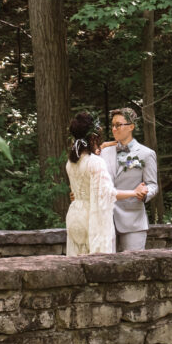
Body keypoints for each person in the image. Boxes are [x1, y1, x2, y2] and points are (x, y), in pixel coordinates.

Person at [103, 107, 156, 251]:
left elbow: (153, 185)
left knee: (133, 268)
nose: (114, 129)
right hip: (105, 222)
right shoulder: (104, 152)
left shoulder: (146, 154)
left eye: (118, 125)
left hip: (133, 221)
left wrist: (145, 192)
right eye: (113, 125)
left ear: (131, 126)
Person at [64, 112, 116, 256]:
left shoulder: (70, 162)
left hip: (74, 216)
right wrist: (134, 192)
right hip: (90, 218)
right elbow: (108, 194)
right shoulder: (95, 162)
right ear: (93, 137)